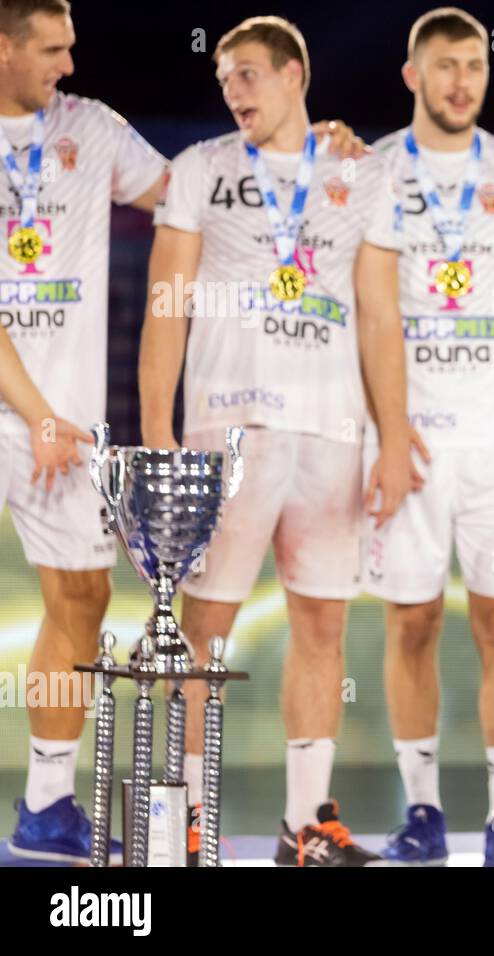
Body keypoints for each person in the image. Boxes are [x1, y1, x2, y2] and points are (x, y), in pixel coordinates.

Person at [139, 15, 412, 867]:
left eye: (250, 74)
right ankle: (184, 819)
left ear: (296, 75)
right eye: (224, 79)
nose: (235, 91)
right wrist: (157, 436)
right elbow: (165, 303)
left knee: (323, 625)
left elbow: (378, 313)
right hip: (228, 426)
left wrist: (393, 439)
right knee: (203, 627)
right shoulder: (202, 169)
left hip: (332, 429)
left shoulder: (362, 176)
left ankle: (306, 826)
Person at [365, 6, 494, 868]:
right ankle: (420, 812)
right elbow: (371, 311)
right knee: (410, 623)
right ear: (413, 75)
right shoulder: (367, 171)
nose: (461, 82)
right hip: (409, 445)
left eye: (474, 68)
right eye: (444, 66)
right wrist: (385, 430)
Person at [1, 0, 164, 865]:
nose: (69, 63)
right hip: (35, 413)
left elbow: (183, 195)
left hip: (60, 420)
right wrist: (38, 414)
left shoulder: (92, 127)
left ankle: (46, 802)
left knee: (84, 597)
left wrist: (300, 146)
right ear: (3, 48)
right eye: (52, 49)